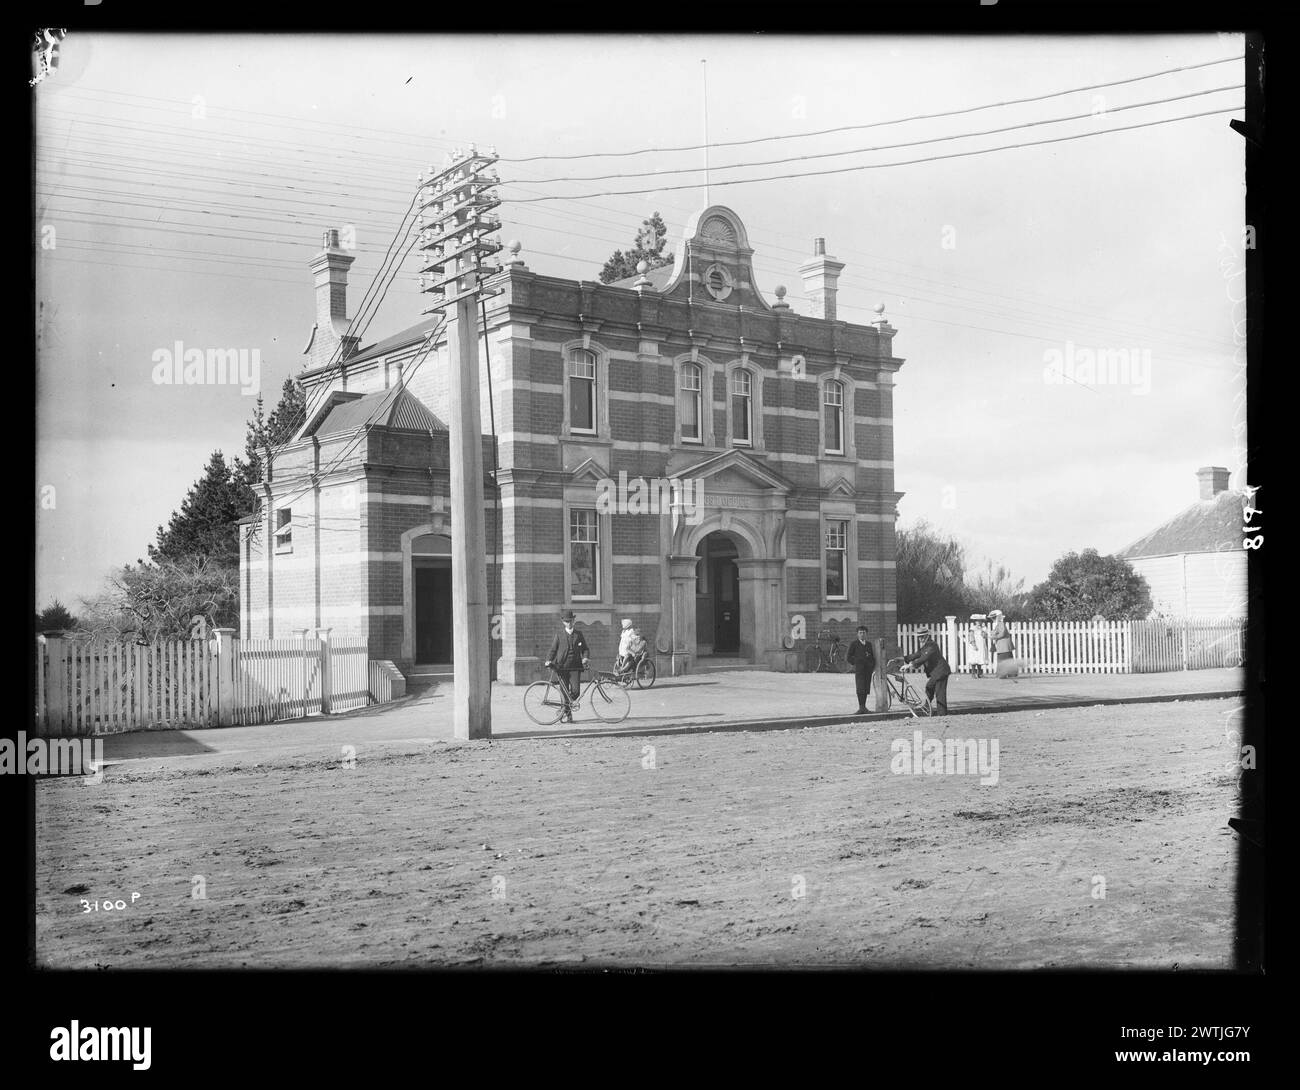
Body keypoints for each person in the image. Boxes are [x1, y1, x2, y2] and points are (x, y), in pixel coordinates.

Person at [544, 610, 590, 722]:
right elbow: (553, 650)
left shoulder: (579, 634)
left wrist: (585, 657)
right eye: (567, 621)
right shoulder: (559, 635)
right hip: (562, 668)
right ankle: (569, 716)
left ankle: (564, 708)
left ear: (574, 621)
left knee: (576, 691)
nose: (569, 623)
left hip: (575, 667)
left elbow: (585, 649)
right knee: (564, 692)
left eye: (571, 621)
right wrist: (548, 660)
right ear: (563, 622)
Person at [903, 628, 951, 715]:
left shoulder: (932, 645)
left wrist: (909, 665)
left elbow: (923, 658)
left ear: (926, 636)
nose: (920, 639)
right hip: (936, 673)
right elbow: (916, 655)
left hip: (941, 671)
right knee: (929, 687)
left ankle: (942, 714)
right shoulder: (925, 646)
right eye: (919, 637)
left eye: (921, 637)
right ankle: (926, 707)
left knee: (940, 694)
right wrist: (902, 659)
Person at [845, 624, 876, 714]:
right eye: (860, 633)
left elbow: (872, 656)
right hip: (859, 669)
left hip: (868, 669)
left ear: (866, 634)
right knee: (860, 687)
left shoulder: (869, 644)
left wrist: (872, 665)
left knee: (866, 687)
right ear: (857, 634)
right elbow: (849, 657)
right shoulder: (854, 644)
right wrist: (856, 662)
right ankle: (861, 707)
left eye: (864, 633)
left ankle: (864, 707)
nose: (862, 634)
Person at [989, 609, 1018, 679]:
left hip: (1004, 645)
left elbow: (1002, 633)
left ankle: (1003, 674)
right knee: (1006, 659)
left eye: (994, 618)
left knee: (1003, 659)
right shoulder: (998, 624)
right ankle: (1010, 674)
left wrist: (994, 637)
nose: (993, 619)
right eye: (992, 618)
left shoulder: (1001, 623)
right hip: (1002, 645)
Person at [967, 614, 989, 679]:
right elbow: (971, 636)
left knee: (980, 658)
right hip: (975, 645)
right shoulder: (972, 628)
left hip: (981, 645)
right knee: (974, 659)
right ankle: (973, 673)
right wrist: (974, 644)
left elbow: (985, 636)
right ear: (975, 622)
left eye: (980, 621)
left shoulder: (983, 628)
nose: (979, 622)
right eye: (977, 621)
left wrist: (983, 631)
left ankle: (980, 673)